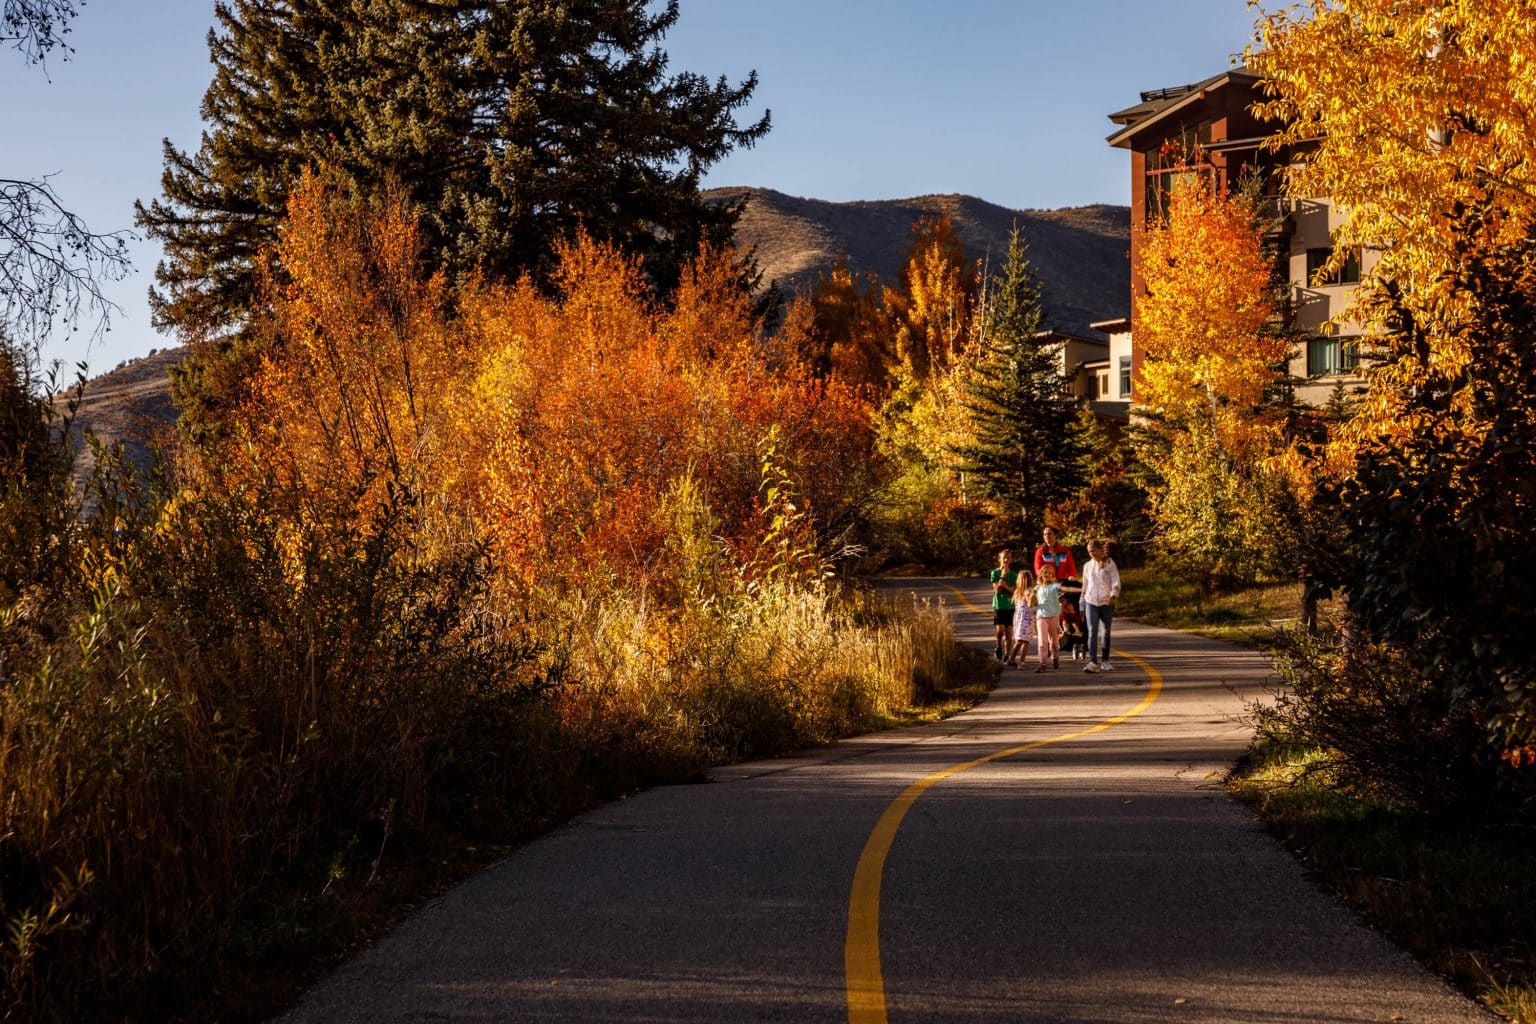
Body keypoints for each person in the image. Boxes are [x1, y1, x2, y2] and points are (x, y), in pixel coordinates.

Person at [1080, 538, 1122, 673]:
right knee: (1092, 632)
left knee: (1105, 632)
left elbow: (1116, 582)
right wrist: (1082, 603)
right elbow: (1085, 586)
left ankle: (1105, 660)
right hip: (1091, 601)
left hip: (1106, 602)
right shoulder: (1087, 566)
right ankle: (1092, 661)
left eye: (1093, 550)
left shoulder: (1110, 564)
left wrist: (1113, 596)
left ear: (1099, 550)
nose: (1091, 553)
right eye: (1089, 551)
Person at [988, 549, 1019, 662]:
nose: (1006, 560)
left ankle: (1007, 655)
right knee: (1000, 629)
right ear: (999, 559)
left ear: (1011, 560)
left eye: (1008, 558)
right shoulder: (995, 573)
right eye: (1004, 557)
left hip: (1010, 606)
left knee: (1009, 632)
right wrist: (1002, 576)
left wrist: (1006, 586)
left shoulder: (1015, 575)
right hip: (999, 605)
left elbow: (1015, 592)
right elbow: (997, 590)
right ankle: (998, 646)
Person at [1033, 563, 1063, 673]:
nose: (1048, 575)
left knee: (1054, 640)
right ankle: (1043, 663)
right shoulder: (1037, 588)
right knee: (1042, 641)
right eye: (1046, 572)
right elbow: (1034, 602)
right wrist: (1032, 600)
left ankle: (1055, 657)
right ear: (1041, 574)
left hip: (1054, 616)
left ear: (1053, 575)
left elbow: (1062, 595)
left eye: (1050, 573)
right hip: (1041, 616)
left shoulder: (1055, 586)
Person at [1034, 526, 1079, 599]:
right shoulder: (1041, 551)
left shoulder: (1064, 551)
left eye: (1049, 534)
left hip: (1063, 582)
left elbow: (1071, 567)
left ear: (1055, 535)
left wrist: (1072, 576)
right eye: (1045, 534)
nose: (1047, 536)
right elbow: (1038, 569)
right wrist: (1049, 578)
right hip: (1047, 582)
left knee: (1078, 590)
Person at [1006, 569, 1036, 668]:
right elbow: (1030, 603)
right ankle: (1022, 662)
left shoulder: (1017, 592)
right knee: (1025, 641)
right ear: (1030, 579)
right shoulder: (1029, 591)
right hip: (1027, 619)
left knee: (1019, 640)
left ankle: (1011, 659)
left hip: (1018, 619)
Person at [1058, 596, 1087, 660]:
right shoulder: (1061, 606)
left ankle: (1077, 631)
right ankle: (1066, 631)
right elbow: (1060, 613)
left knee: (1073, 623)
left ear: (1066, 600)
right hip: (1065, 617)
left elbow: (1073, 614)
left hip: (1073, 617)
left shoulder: (1069, 605)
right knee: (1064, 622)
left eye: (1062, 601)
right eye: (1060, 601)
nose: (1061, 603)